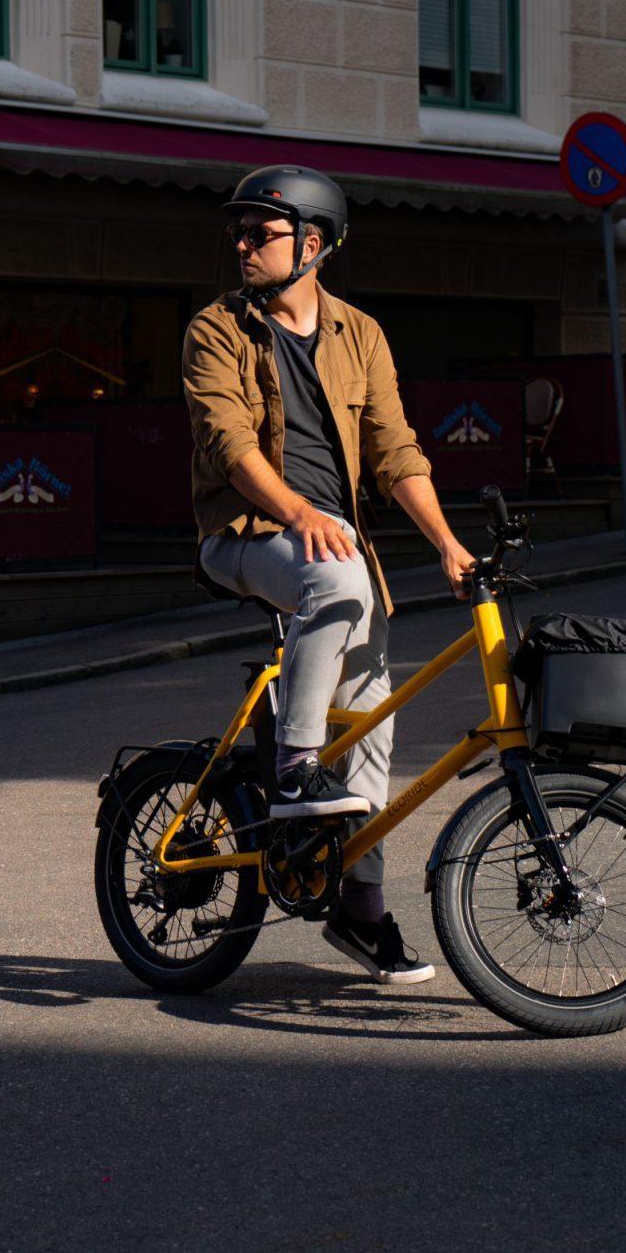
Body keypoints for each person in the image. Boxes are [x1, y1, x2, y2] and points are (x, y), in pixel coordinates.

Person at [184, 164, 475, 986]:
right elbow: (228, 444)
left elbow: (396, 451)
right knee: (337, 578)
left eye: (260, 232)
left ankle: (360, 907)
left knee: (378, 724)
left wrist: (447, 544)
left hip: (338, 548)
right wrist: (299, 514)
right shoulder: (216, 329)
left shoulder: (360, 334)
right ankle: (294, 765)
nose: (242, 244)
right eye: (238, 232)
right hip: (245, 536)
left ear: (313, 244)